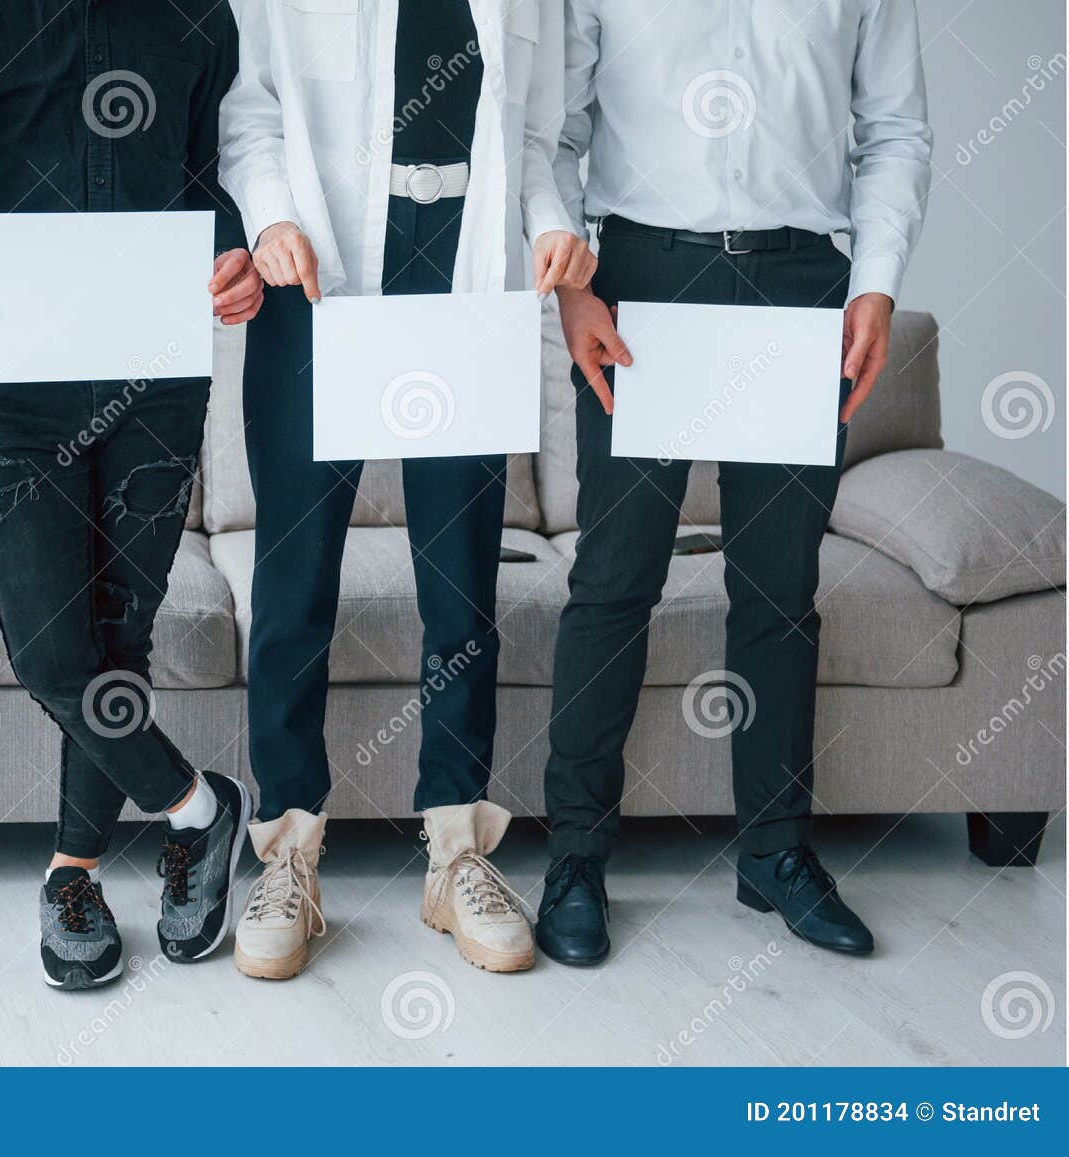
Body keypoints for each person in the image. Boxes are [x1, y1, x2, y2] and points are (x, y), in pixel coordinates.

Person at [537, 0, 933, 965]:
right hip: (638, 275)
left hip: (802, 284)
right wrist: (575, 287)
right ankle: (576, 859)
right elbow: (552, 132)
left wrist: (874, 281)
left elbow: (894, 129)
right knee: (613, 581)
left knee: (779, 593)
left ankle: (776, 854)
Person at [218, 0, 594, 980]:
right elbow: (249, 109)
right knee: (293, 583)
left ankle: (455, 850)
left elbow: (538, 133)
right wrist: (269, 219)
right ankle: (287, 851)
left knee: (461, 587)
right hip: (315, 277)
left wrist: (553, 226)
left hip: (466, 279)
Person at [0, 0, 264, 990]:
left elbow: (212, 176)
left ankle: (75, 870)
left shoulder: (201, 11)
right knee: (48, 646)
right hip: (26, 366)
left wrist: (233, 252)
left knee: (117, 635)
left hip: (160, 364)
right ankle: (199, 807)